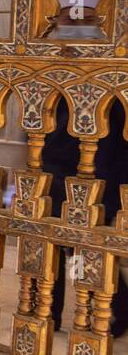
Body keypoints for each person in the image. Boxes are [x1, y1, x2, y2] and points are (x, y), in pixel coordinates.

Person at [42, 99, 128, 337]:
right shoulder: (58, 91)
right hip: (56, 176)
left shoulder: (112, 98)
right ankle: (51, 313)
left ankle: (119, 308)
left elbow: (120, 147)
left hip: (96, 182)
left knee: (84, 253)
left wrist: (113, 192)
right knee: (54, 247)